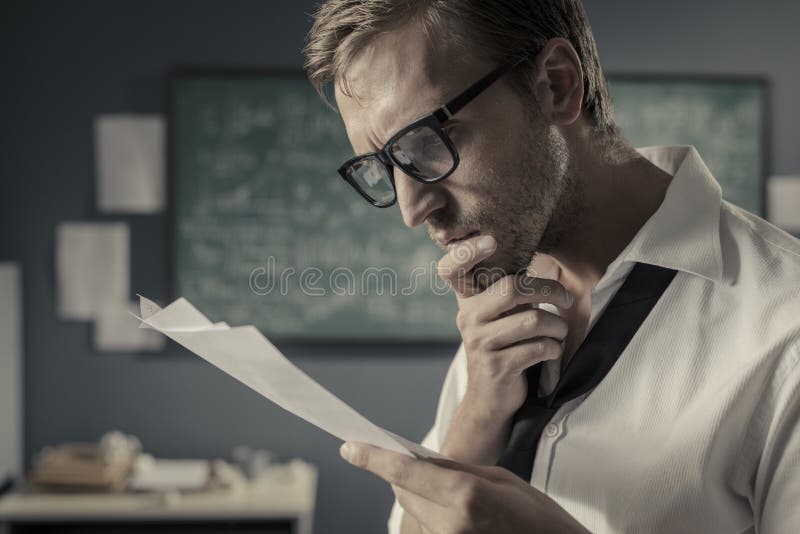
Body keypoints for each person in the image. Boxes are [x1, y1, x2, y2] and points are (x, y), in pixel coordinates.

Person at [304, 1, 800, 532]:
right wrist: (477, 415)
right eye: (384, 168)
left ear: (556, 86)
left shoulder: (785, 329)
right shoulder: (500, 303)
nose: (411, 210)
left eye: (427, 143)